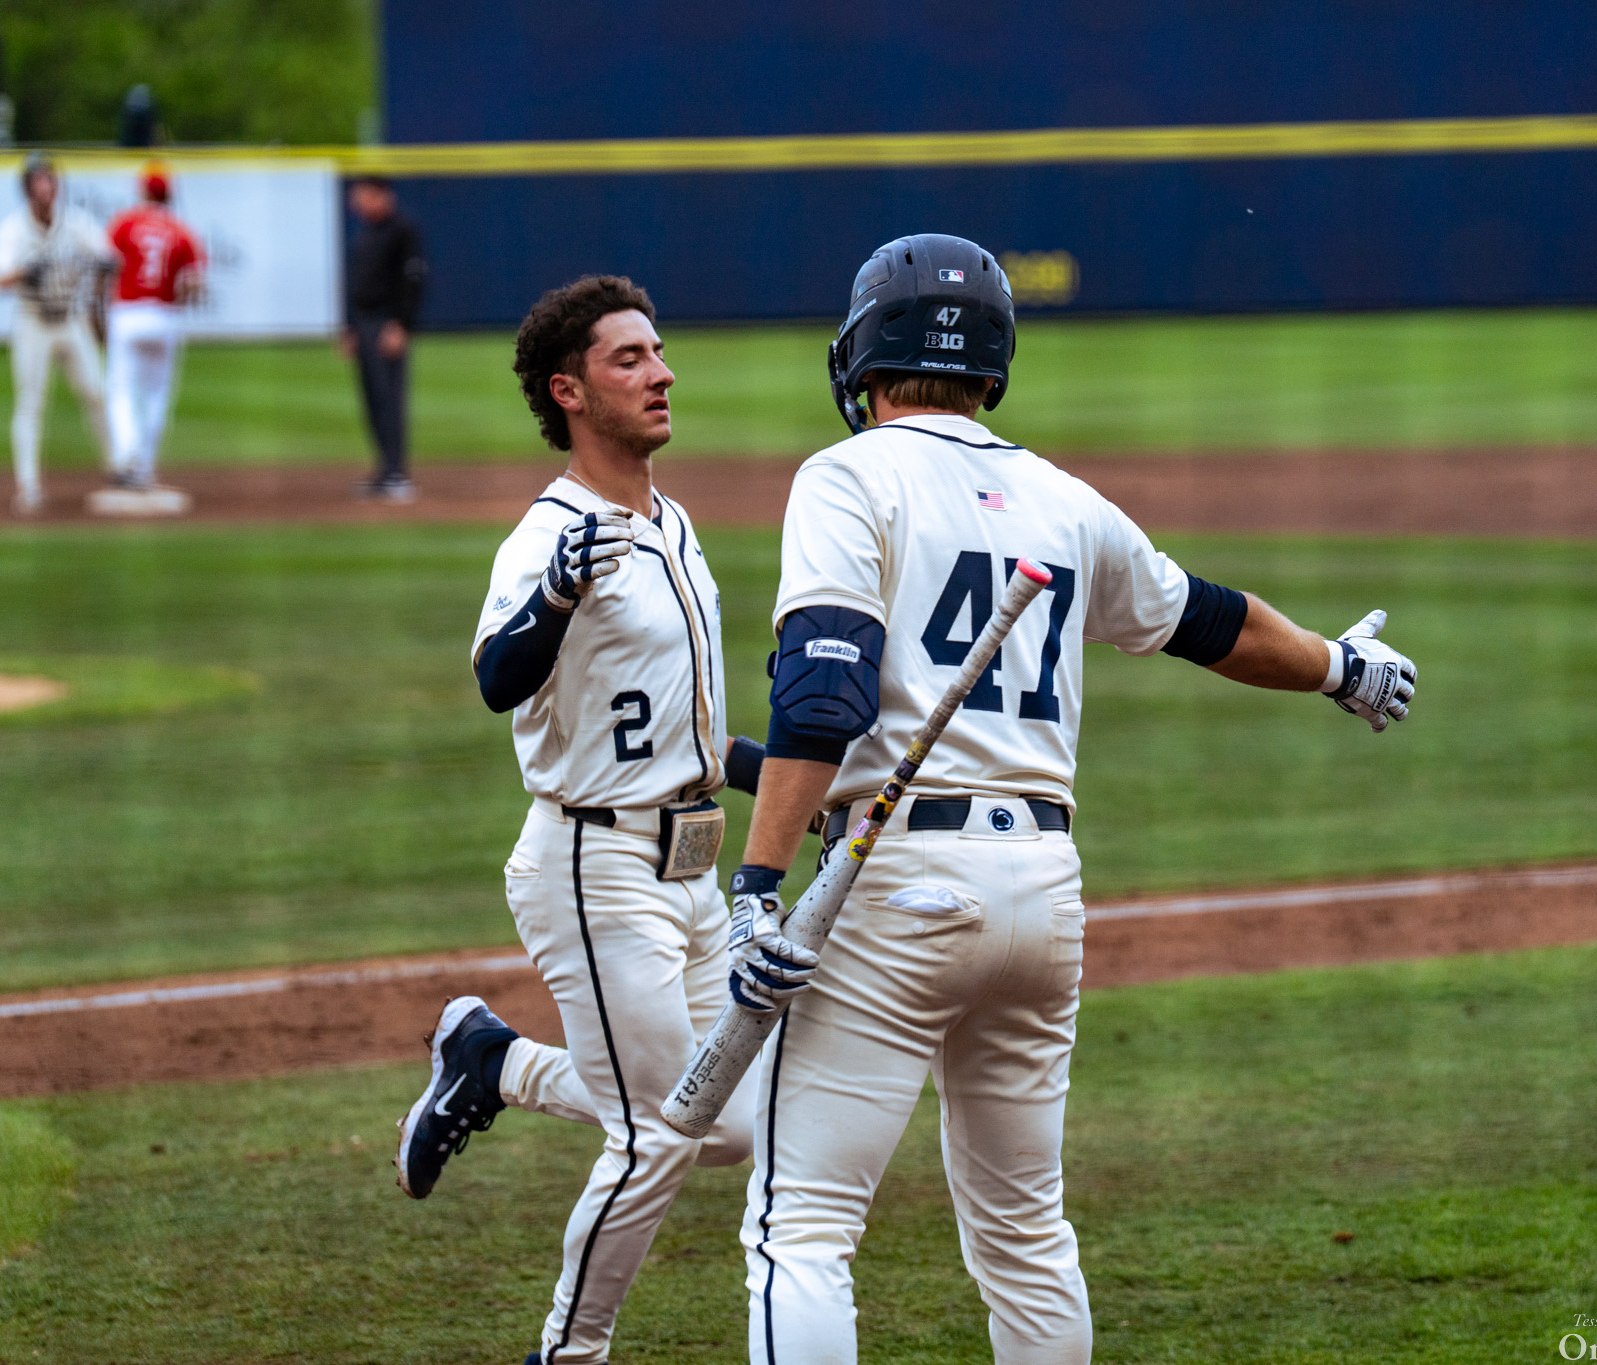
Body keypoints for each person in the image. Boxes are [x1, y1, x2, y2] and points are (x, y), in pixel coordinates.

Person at [724, 233, 1420, 1365]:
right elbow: (1217, 624)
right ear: (992, 361)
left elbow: (821, 693)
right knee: (1023, 1230)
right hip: (1041, 897)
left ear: (860, 355)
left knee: (799, 1224)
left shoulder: (845, 478)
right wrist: (1339, 668)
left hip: (894, 888)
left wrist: (754, 889)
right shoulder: (1057, 498)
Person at [392, 275, 769, 1365]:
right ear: (567, 392)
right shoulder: (548, 537)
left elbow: (693, 737)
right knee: (658, 1132)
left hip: (688, 870)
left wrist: (801, 781)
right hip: (592, 870)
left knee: (730, 1124)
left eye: (656, 352)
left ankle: (491, 1062)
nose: (659, 374)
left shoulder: (674, 523)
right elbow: (496, 679)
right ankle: (568, 1352)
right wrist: (554, 596)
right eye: (627, 359)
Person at [0, 152, 117, 515]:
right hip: (33, 323)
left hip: (71, 319)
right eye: (38, 180)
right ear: (27, 189)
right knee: (31, 402)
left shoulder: (74, 222)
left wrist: (96, 302)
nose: (45, 186)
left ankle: (116, 468)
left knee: (96, 392)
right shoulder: (14, 229)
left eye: (49, 179)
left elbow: (109, 257)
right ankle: (28, 487)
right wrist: (27, 272)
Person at [104, 163, 203, 493]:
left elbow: (105, 267)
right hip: (165, 315)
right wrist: (179, 298)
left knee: (122, 390)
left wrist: (97, 312)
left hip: (128, 312)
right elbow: (194, 282)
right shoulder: (181, 230)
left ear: (144, 190)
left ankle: (127, 454)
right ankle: (144, 469)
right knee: (157, 395)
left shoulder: (125, 223)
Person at [339, 175, 426, 501]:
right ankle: (384, 468)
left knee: (389, 398)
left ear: (381, 195)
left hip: (386, 323)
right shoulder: (367, 232)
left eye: (362, 195)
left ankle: (396, 473)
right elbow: (357, 284)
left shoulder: (403, 230)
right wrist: (350, 327)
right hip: (364, 324)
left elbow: (413, 280)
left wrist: (401, 324)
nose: (357, 202)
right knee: (372, 399)